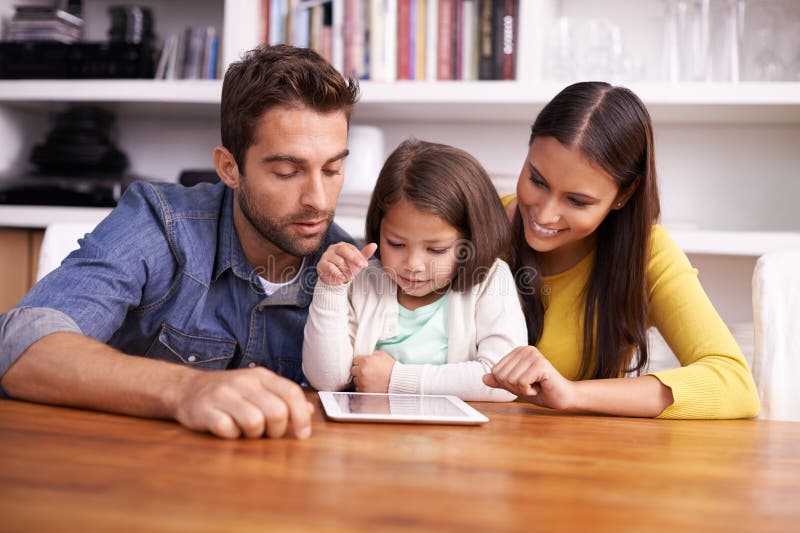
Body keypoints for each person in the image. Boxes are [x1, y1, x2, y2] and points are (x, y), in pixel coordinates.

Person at [0, 44, 360, 438]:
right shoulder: (158, 223)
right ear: (229, 168)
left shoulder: (352, 268)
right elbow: (21, 346)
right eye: (288, 171)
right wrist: (186, 388)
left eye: (332, 169)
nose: (319, 201)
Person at [483, 81, 760, 419]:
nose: (544, 214)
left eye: (577, 201)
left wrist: (572, 393)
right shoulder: (474, 226)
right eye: (537, 181)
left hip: (583, 458)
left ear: (623, 195)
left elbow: (734, 383)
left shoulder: (646, 252)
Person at [302, 139, 526, 401]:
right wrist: (330, 288)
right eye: (396, 244)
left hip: (459, 440)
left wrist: (395, 380)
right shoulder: (365, 280)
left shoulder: (489, 280)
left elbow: (503, 381)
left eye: (436, 250)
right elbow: (327, 380)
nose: (413, 264)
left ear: (470, 243)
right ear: (378, 228)